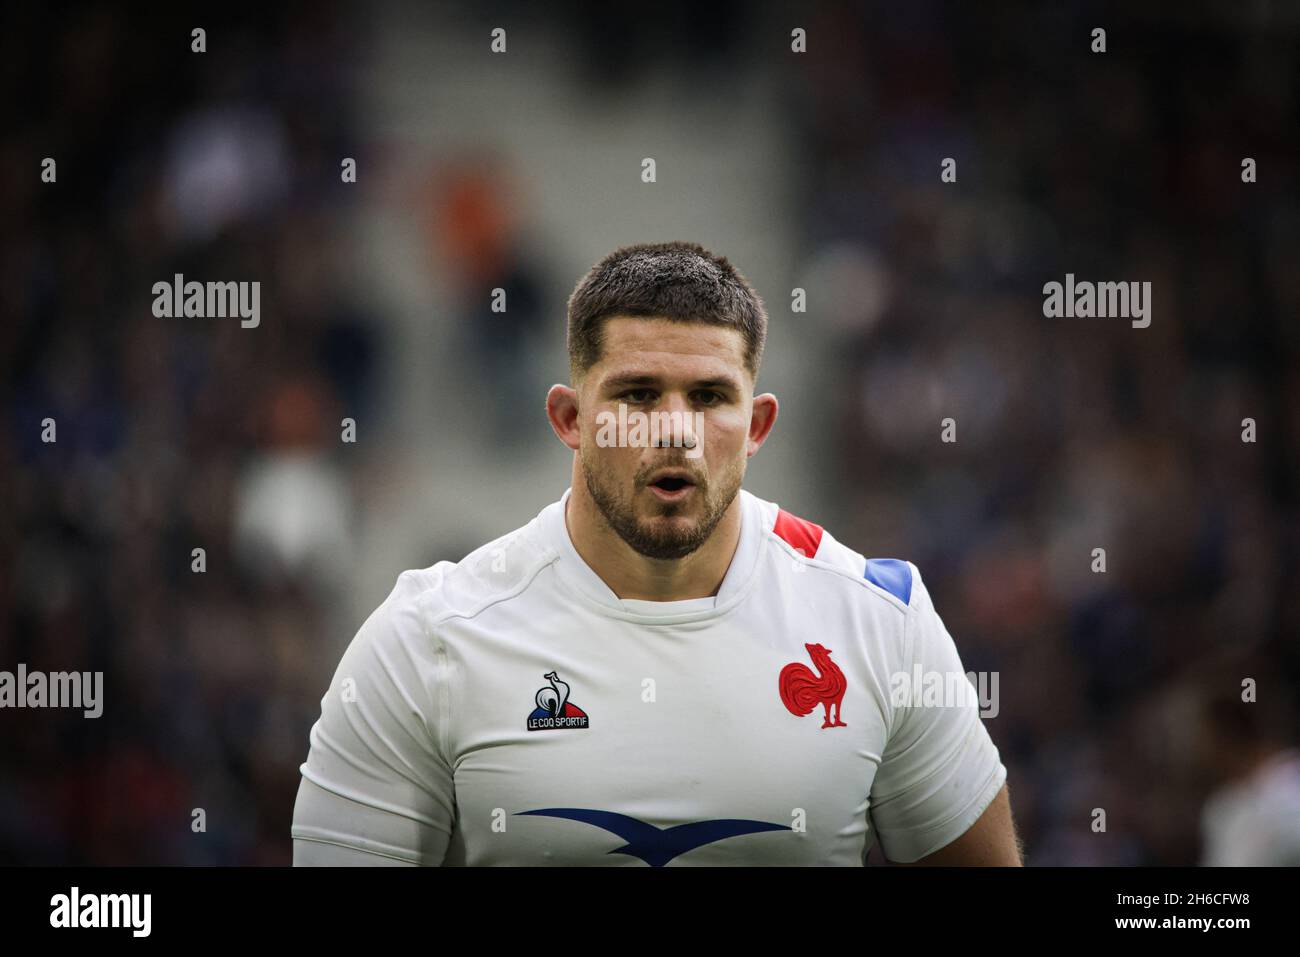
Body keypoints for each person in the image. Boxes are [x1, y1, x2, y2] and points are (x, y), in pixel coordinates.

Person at [291, 241, 1022, 866]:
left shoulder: (877, 621)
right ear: (570, 419)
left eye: (709, 397)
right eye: (638, 395)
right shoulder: (425, 639)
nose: (676, 432)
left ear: (758, 424)